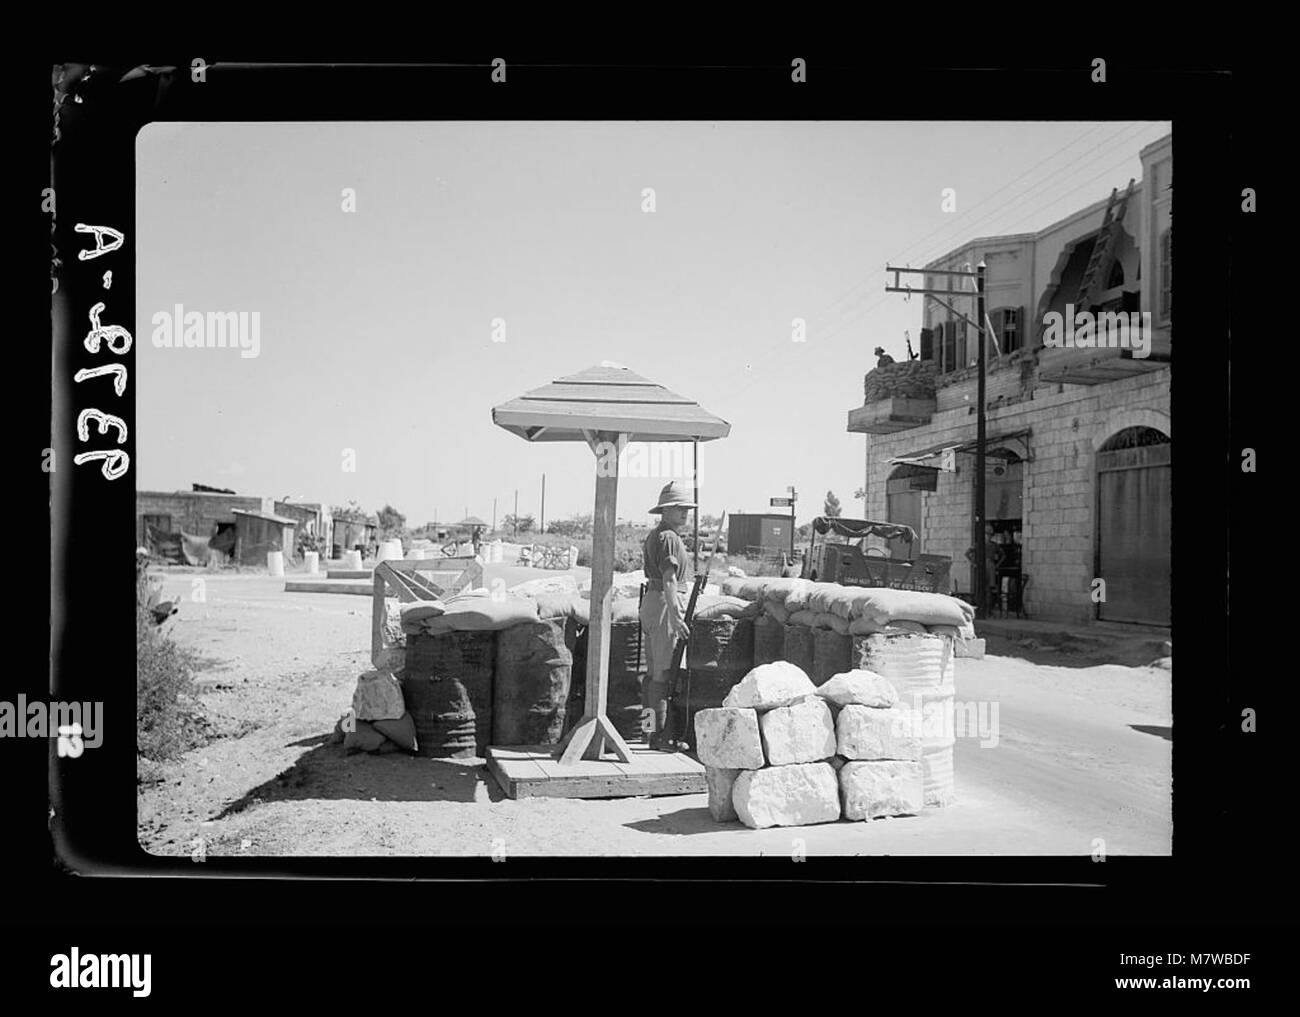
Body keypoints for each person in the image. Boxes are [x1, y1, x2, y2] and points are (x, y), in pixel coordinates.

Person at [639, 481, 695, 751]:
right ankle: (659, 738)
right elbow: (670, 579)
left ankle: (648, 732)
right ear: (665, 510)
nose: (684, 512)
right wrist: (675, 615)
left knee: (652, 675)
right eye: (678, 507)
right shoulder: (669, 537)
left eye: (686, 507)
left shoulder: (656, 535)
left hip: (652, 602)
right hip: (664, 602)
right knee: (662, 674)